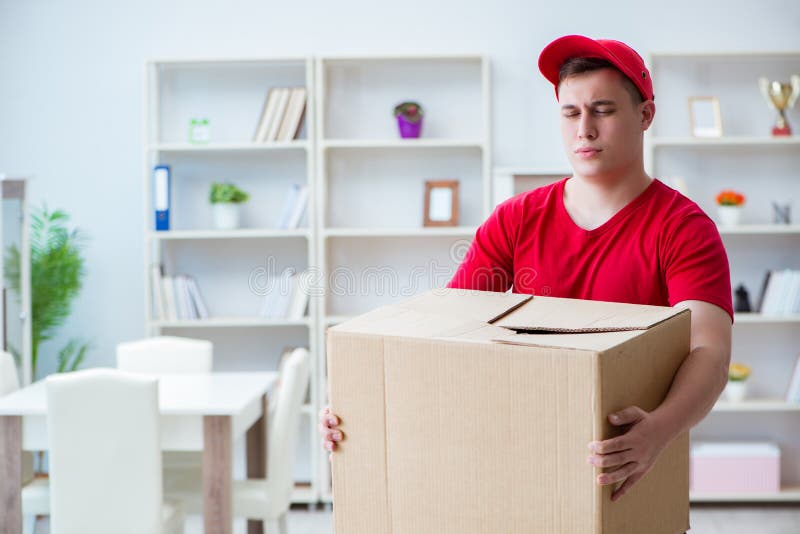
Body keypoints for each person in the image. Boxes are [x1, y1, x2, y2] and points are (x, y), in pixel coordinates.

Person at [319, 34, 733, 502]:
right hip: (520, 458)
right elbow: (445, 335)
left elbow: (710, 354)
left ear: (645, 115)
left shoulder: (683, 228)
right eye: (571, 113)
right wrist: (364, 410)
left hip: (629, 469)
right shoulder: (515, 219)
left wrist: (657, 431)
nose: (585, 130)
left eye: (604, 110)